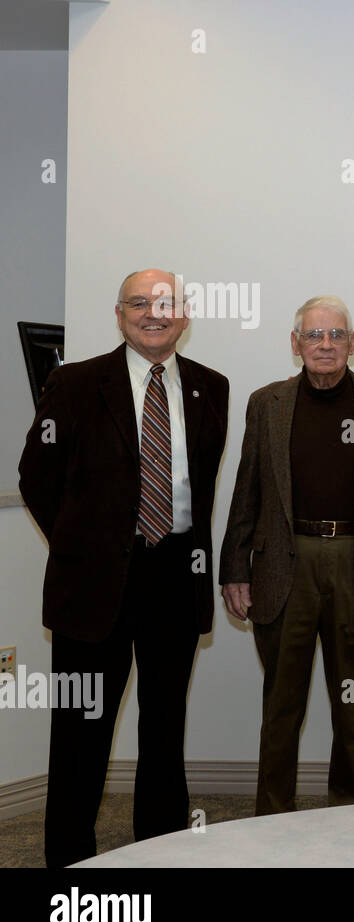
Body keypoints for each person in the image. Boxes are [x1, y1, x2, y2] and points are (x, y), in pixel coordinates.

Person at [19, 270, 229, 867]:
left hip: (175, 578)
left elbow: (204, 487)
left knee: (165, 733)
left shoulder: (211, 387)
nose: (153, 314)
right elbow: (37, 477)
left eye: (165, 304)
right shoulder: (76, 382)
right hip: (94, 587)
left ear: (184, 316)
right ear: (119, 314)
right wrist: (87, 545)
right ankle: (71, 869)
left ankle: (159, 857)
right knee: (81, 737)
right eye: (140, 303)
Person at [219, 295, 354, 814]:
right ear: (295, 345)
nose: (325, 345)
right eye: (314, 336)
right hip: (284, 564)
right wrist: (233, 569)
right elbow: (248, 494)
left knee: (352, 702)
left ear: (353, 344)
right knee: (281, 703)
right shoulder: (267, 403)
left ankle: (350, 811)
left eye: (336, 335)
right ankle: (271, 816)